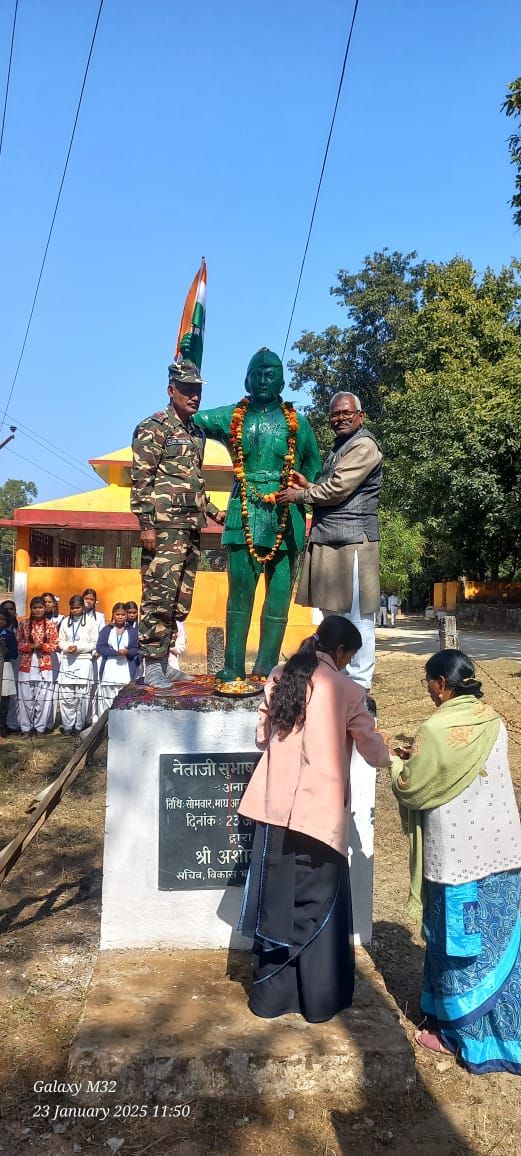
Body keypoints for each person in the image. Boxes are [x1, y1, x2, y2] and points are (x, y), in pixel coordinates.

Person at [237, 615, 392, 1022]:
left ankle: (270, 1000)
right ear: (340, 652)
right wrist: (389, 748)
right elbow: (374, 753)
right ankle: (318, 1001)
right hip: (320, 817)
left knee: (276, 902)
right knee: (319, 905)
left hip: (273, 810)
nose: (347, 664)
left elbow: (261, 736)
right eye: (349, 656)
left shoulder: (279, 675)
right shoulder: (346, 689)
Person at [390, 649, 521, 1072]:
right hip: (502, 852)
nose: (428, 690)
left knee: (458, 946)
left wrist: (395, 763)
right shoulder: (493, 720)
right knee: (498, 945)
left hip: (457, 858)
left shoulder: (434, 727)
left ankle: (459, 1036)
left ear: (442, 684)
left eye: (429, 682)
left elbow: (414, 786)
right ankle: (509, 1034)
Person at [195, 348, 322, 680]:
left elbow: (314, 466)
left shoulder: (299, 423)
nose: (264, 380)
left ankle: (266, 666)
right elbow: (192, 419)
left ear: (282, 380)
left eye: (270, 374)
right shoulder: (231, 416)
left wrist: (303, 485)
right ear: (246, 380)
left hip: (286, 515)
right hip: (244, 512)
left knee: (279, 597)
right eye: (257, 374)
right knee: (239, 594)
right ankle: (232, 666)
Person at [277, 391, 382, 693]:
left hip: (352, 543)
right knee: (332, 617)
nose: (340, 418)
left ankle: (359, 688)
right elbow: (333, 487)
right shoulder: (340, 448)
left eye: (346, 413)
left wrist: (300, 495)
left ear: (360, 416)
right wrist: (309, 485)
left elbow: (337, 489)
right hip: (329, 540)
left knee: (357, 618)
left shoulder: (364, 445)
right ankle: (337, 683)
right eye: (335, 414)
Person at [131, 359, 225, 688]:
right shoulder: (153, 427)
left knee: (180, 598)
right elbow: (141, 479)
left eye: (197, 390)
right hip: (164, 527)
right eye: (187, 389)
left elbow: (194, 482)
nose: (194, 396)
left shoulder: (196, 431)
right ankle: (151, 664)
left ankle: (168, 660)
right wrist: (146, 524)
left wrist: (215, 512)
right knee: (158, 595)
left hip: (191, 527)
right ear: (172, 390)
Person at [16, 597, 59, 736]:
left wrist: (43, 646)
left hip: (44, 665)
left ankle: (40, 728)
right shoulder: (23, 624)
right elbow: (18, 642)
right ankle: (26, 728)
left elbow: (55, 644)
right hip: (26, 666)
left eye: (40, 607)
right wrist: (30, 646)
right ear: (31, 608)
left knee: (43, 699)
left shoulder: (51, 625)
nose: (38, 610)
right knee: (25, 700)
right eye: (35, 607)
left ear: (44, 608)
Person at [58, 596, 99, 735]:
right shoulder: (65, 622)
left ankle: (78, 726)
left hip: (83, 660)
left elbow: (95, 643)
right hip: (68, 660)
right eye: (73, 608)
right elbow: (60, 640)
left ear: (83, 607)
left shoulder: (91, 622)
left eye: (78, 607)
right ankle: (67, 726)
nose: (75, 610)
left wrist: (78, 648)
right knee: (66, 695)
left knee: (82, 696)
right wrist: (66, 647)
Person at [97, 603, 140, 712]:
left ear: (126, 615)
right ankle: (106, 726)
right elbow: (100, 647)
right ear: (113, 615)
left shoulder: (133, 631)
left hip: (125, 669)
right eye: (117, 614)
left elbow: (136, 649)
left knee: (123, 700)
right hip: (109, 668)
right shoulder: (106, 630)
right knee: (108, 701)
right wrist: (115, 653)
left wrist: (127, 652)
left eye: (123, 614)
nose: (120, 617)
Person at [0, 600, 19, 733]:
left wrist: (4, 647)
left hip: (5, 667)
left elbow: (14, 654)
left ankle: (2, 725)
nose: (0, 621)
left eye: (3, 619)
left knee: (4, 699)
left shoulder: (9, 635)